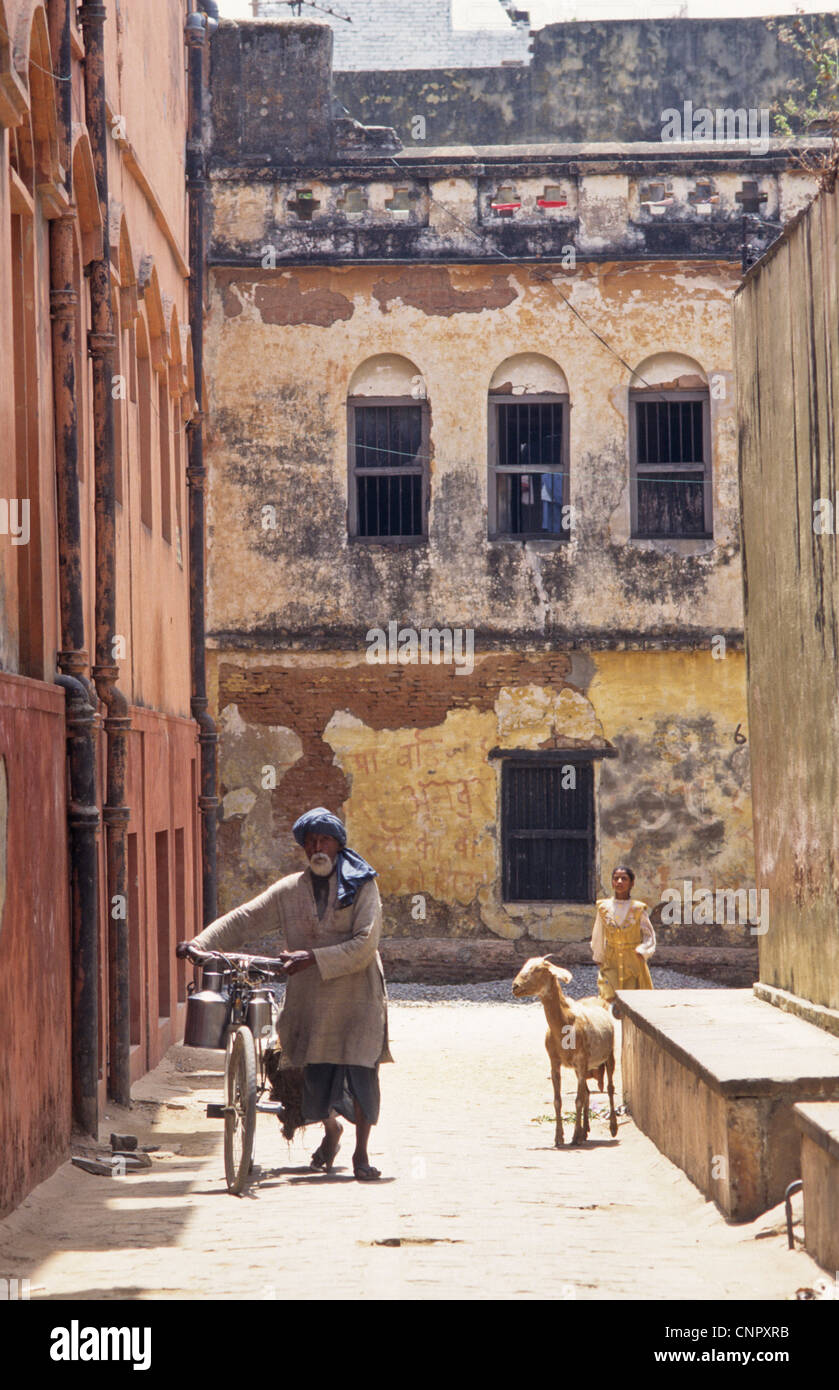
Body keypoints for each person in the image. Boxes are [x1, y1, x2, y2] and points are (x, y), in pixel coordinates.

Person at [179, 807, 391, 1180]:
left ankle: (361, 1154)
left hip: (358, 995)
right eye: (310, 842)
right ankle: (331, 1132)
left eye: (324, 840)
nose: (316, 847)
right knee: (314, 1068)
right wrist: (200, 942)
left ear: (338, 845)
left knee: (359, 1069)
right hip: (310, 997)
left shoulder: (363, 886)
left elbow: (365, 943)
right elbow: (246, 917)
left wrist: (312, 956)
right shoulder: (291, 889)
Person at [591, 865, 655, 1014]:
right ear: (612, 882)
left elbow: (648, 934)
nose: (619, 881)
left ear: (632, 883)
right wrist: (599, 955)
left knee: (634, 1003)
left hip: (633, 962)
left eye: (624, 879)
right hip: (611, 960)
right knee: (607, 996)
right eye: (616, 878)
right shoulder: (604, 907)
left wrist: (643, 950)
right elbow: (598, 933)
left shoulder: (638, 909)